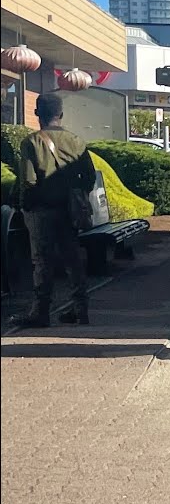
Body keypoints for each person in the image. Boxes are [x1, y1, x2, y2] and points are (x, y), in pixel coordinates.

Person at [9, 93, 95, 328]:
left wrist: (24, 205)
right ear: (61, 114)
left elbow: (27, 180)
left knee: (42, 261)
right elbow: (89, 176)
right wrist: (76, 196)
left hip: (42, 211)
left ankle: (41, 311)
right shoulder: (76, 141)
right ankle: (80, 310)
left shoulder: (31, 142)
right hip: (69, 211)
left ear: (37, 114)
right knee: (73, 259)